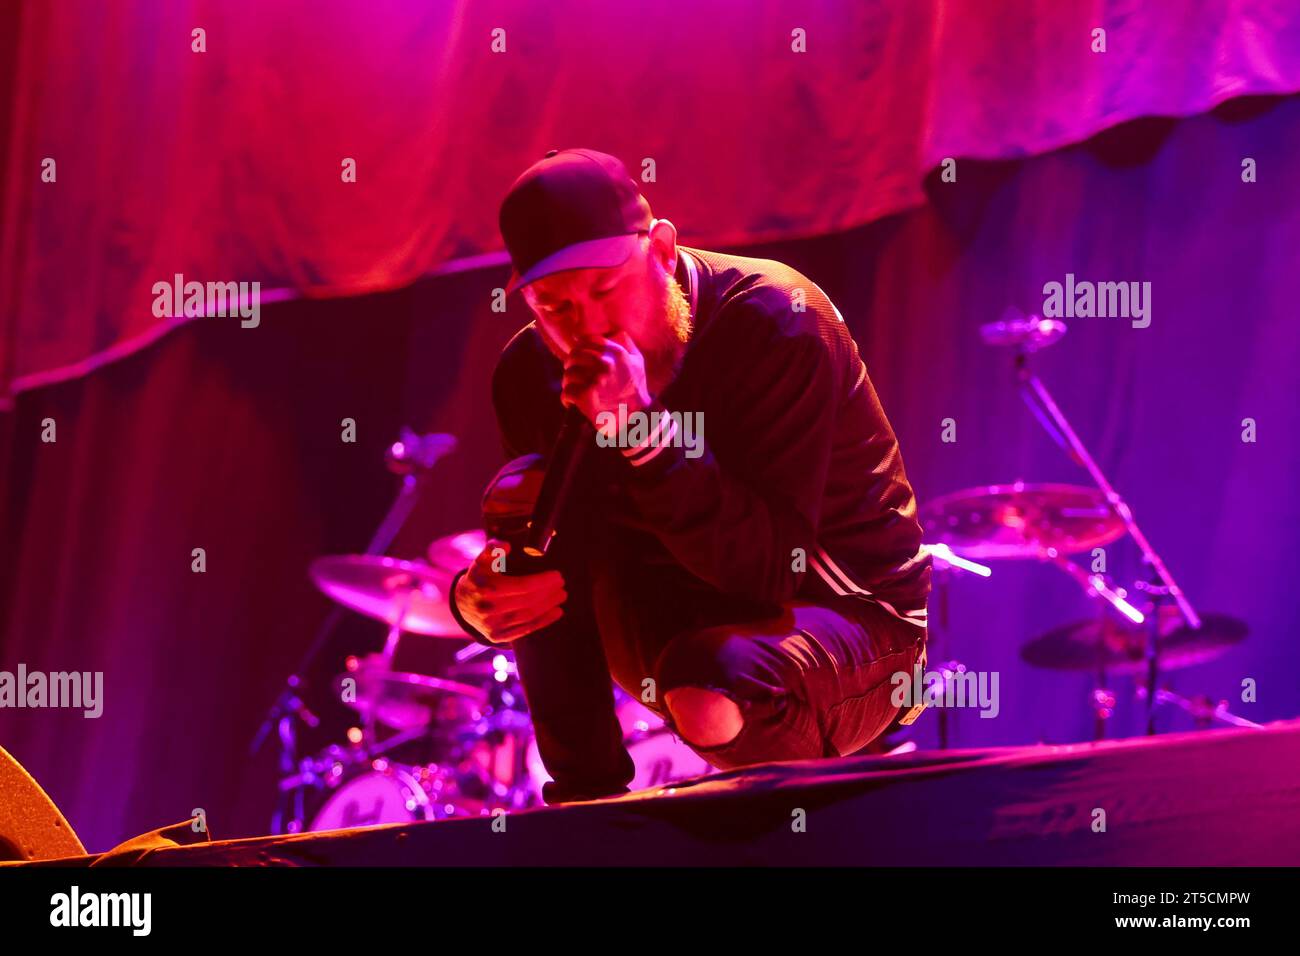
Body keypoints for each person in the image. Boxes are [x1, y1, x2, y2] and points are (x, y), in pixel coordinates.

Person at [448, 148, 930, 803]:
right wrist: (480, 601)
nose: (589, 328)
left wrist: (642, 431)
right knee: (538, 566)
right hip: (673, 631)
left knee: (710, 684)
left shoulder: (776, 320)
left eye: (605, 289)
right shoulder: (528, 374)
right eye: (556, 308)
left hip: (850, 619)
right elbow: (543, 562)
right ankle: (587, 808)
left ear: (663, 251)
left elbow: (768, 571)